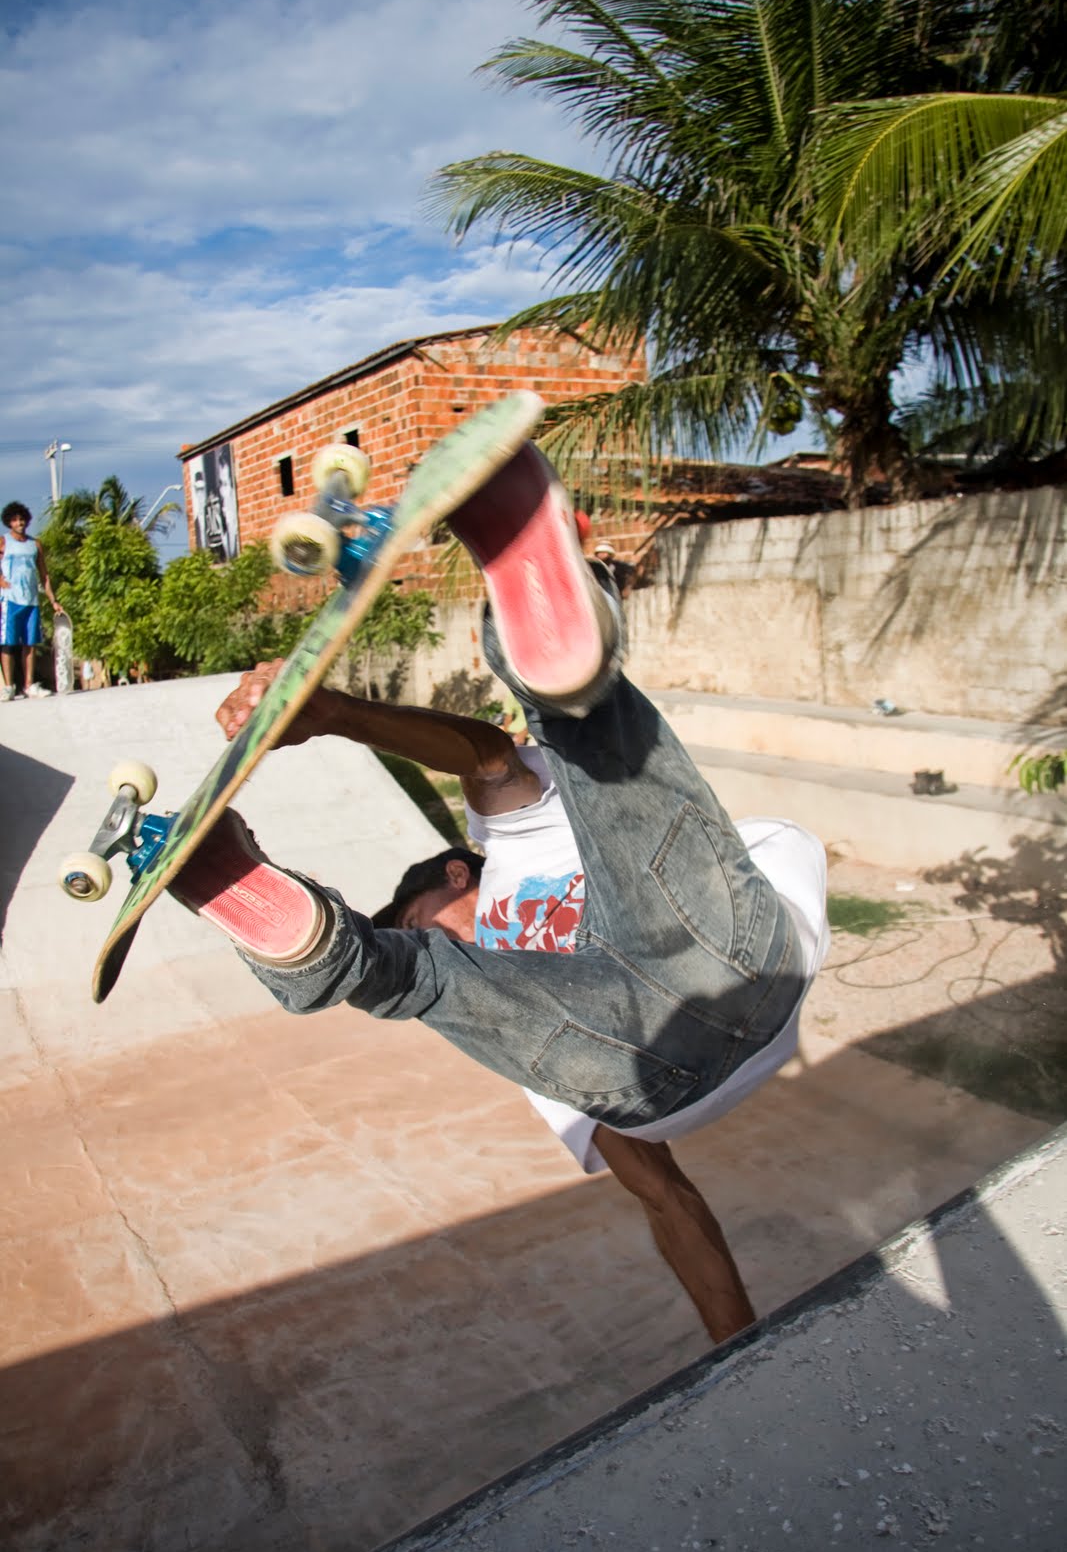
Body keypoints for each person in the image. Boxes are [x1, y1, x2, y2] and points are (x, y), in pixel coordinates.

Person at [172, 443, 828, 1341]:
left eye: (426, 920)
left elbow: (483, 758)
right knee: (425, 979)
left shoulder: (512, 845)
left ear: (453, 872)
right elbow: (665, 1199)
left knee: (596, 786)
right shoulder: (527, 1015)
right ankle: (311, 940)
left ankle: (550, 648)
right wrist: (740, 1352)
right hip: (638, 1063)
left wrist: (339, 717)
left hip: (726, 955)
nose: (454, 940)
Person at [0, 501, 63, 702]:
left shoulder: (35, 544)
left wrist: (53, 601)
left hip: (31, 600)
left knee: (30, 643)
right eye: (15, 520)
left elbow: (44, 575)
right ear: (9, 522)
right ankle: (9, 687)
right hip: (10, 601)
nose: (19, 523)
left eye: (22, 519)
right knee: (8, 643)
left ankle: (29, 685)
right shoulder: (3, 542)